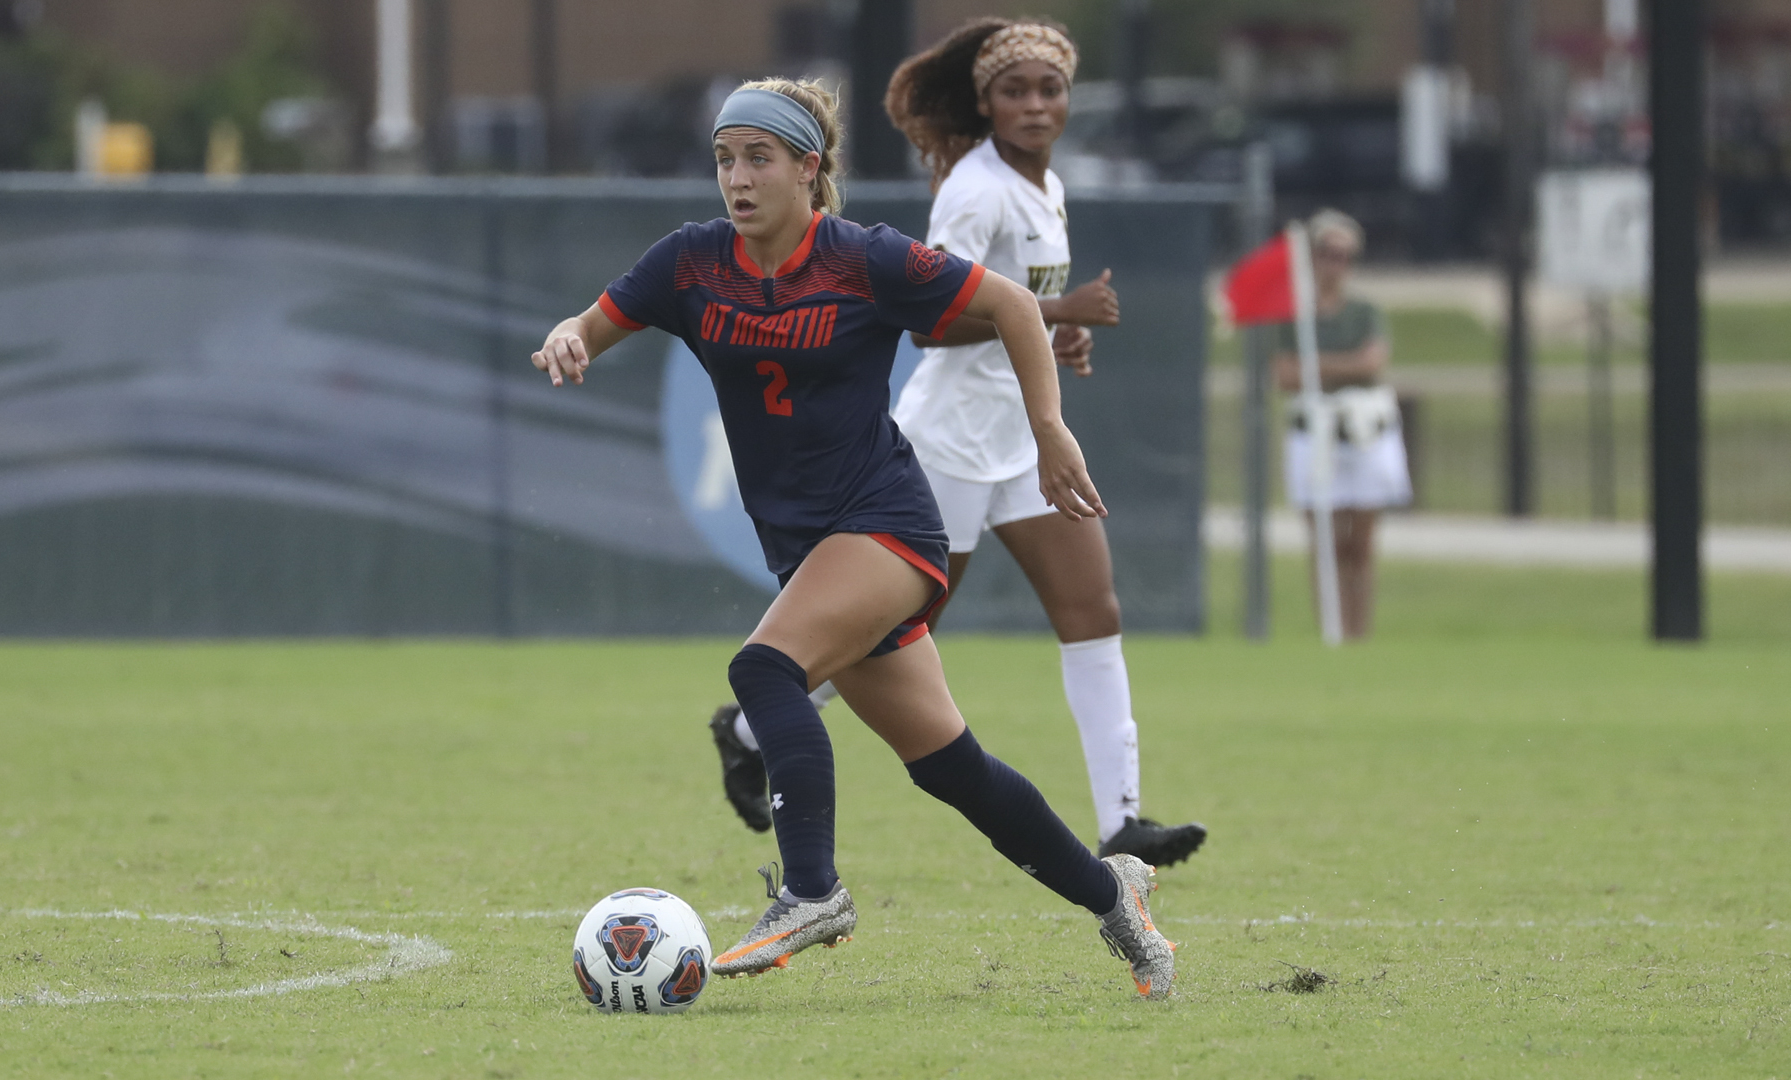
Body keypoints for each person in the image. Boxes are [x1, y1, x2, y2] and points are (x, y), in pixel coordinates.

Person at [537, 78, 1176, 997]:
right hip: (808, 547)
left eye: (759, 157)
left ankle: (811, 890)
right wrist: (570, 336)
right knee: (952, 769)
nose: (737, 178)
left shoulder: (863, 259)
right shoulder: (691, 263)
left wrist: (1048, 429)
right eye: (724, 158)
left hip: (887, 524)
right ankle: (1113, 895)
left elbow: (1013, 306)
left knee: (763, 671)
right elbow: (594, 326)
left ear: (810, 168)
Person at [708, 18, 1206, 872]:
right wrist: (1059, 313)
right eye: (1016, 90)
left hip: (1019, 441)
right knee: (890, 635)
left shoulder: (1043, 186)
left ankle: (1122, 822)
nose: (1037, 104)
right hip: (948, 444)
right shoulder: (975, 190)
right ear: (985, 104)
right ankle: (754, 729)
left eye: (1050, 89)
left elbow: (1009, 322)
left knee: (1093, 612)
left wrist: (1050, 342)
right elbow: (933, 328)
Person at [1273, 208, 1411, 640]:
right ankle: (1331, 632)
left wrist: (1317, 366)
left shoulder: (1365, 311)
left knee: (1360, 543)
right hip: (1313, 432)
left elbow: (1373, 361)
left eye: (1345, 256)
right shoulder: (1293, 314)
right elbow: (1286, 375)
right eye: (1328, 253)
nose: (1336, 264)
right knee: (1326, 543)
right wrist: (1342, 367)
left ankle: (1359, 634)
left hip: (1362, 431)